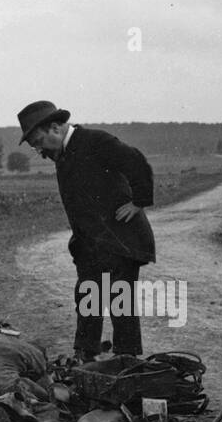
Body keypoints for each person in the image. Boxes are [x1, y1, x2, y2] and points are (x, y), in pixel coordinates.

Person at [16, 100, 155, 362]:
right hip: (91, 243)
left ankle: (126, 358)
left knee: (119, 297)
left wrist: (138, 202)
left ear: (55, 128)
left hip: (121, 237)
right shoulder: (61, 153)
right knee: (88, 294)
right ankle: (85, 354)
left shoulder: (95, 141)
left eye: (38, 142)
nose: (38, 150)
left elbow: (135, 161)